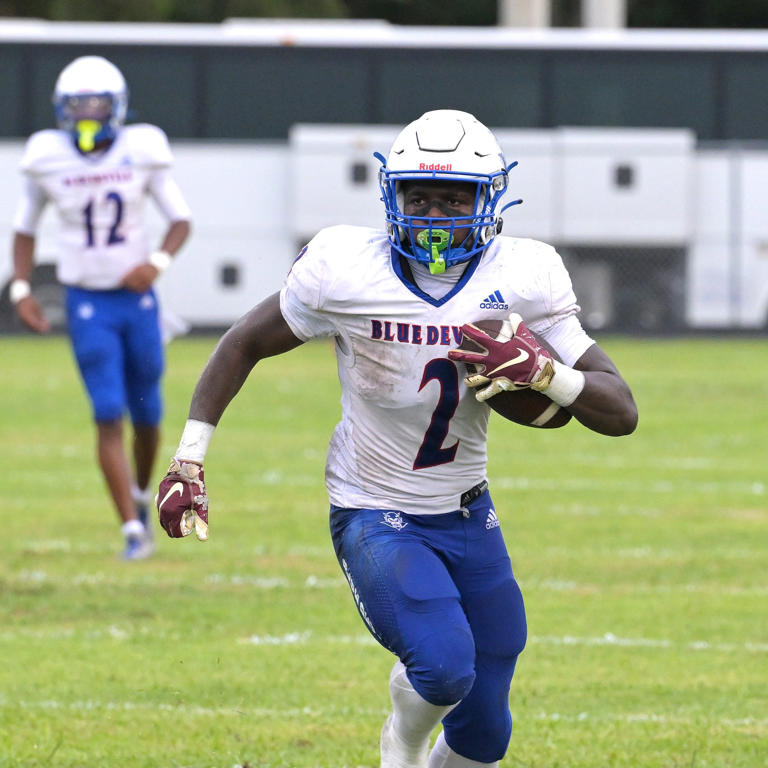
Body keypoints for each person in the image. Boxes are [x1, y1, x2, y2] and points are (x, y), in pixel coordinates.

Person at [156, 109, 637, 767]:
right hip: (374, 509)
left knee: (486, 730)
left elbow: (619, 409)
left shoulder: (525, 274)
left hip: (467, 509)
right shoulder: (345, 268)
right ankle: (402, 744)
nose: (435, 216)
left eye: (454, 199)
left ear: (488, 200)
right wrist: (189, 457)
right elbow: (243, 342)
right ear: (393, 197)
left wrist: (547, 374)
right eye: (421, 198)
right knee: (444, 666)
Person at [10, 55, 192, 560]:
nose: (88, 114)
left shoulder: (142, 150)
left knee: (148, 413)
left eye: (96, 104)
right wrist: (21, 289)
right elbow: (24, 228)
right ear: (61, 109)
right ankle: (132, 529)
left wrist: (156, 262)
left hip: (137, 300)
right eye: (78, 105)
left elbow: (181, 220)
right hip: (86, 299)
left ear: (117, 106)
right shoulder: (47, 157)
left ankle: (140, 494)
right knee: (108, 412)